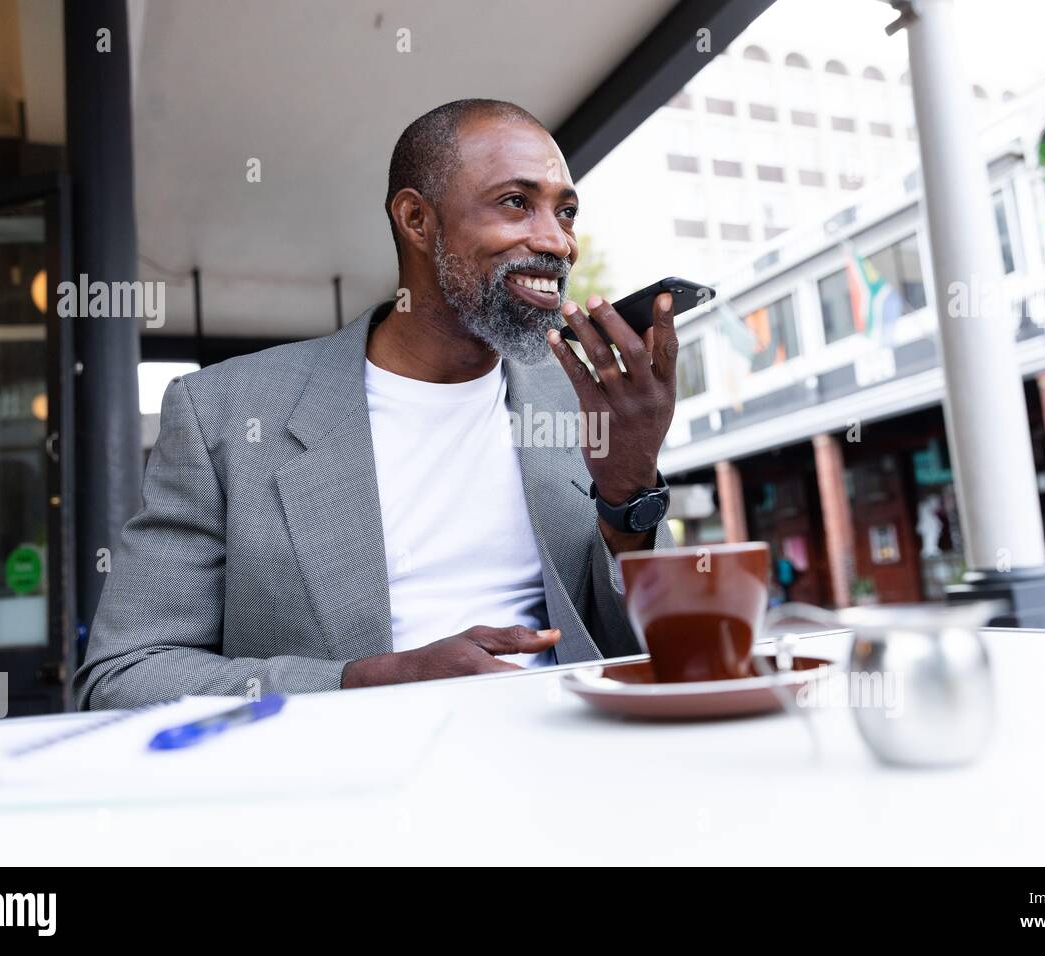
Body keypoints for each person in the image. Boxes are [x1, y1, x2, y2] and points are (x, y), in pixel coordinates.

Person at [74, 100, 678, 709]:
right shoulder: (222, 413)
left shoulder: (586, 401)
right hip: (343, 786)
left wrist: (630, 493)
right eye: (516, 203)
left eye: (565, 211)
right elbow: (124, 678)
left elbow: (665, 644)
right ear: (416, 218)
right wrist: (363, 680)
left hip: (562, 766)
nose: (557, 241)